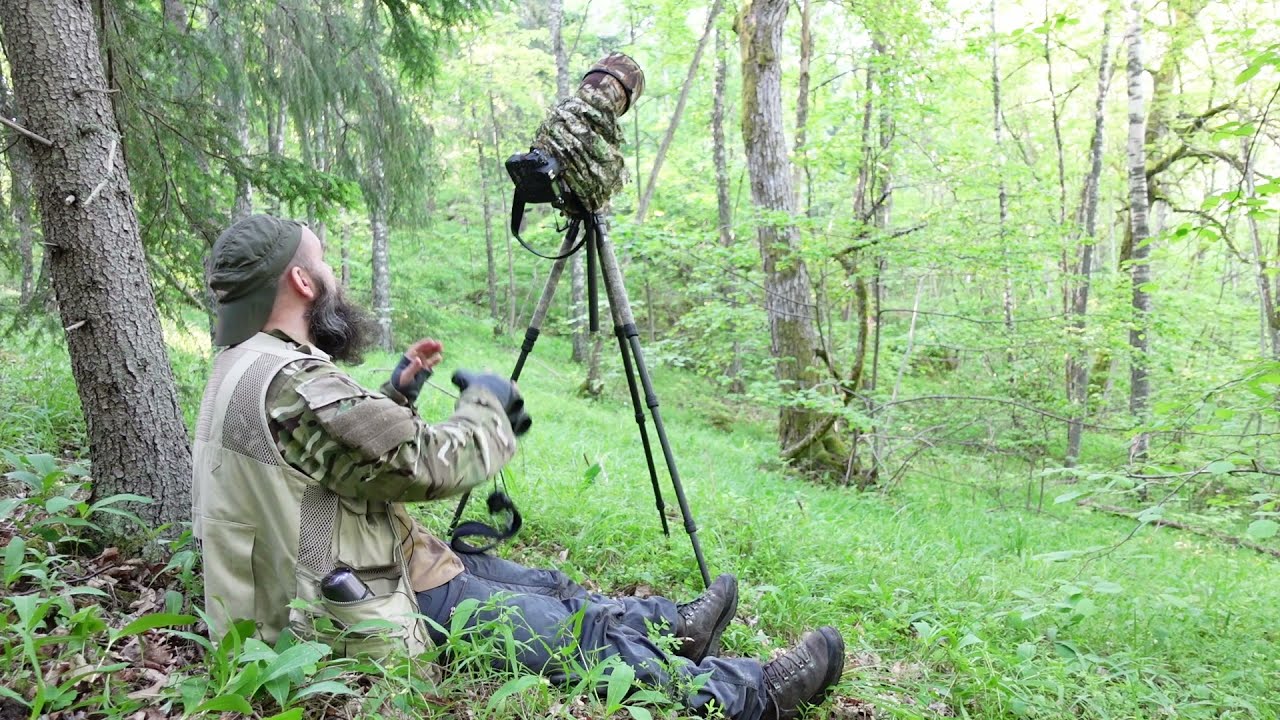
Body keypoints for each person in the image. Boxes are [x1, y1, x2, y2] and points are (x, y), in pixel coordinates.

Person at [192, 214, 845, 719]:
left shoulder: (247, 363)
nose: (334, 273)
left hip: (350, 562)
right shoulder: (289, 377)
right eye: (324, 263)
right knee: (566, 635)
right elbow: (421, 464)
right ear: (302, 282)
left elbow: (326, 457)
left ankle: (674, 628)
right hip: (344, 609)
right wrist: (488, 406)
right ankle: (751, 692)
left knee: (544, 583)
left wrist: (396, 395)